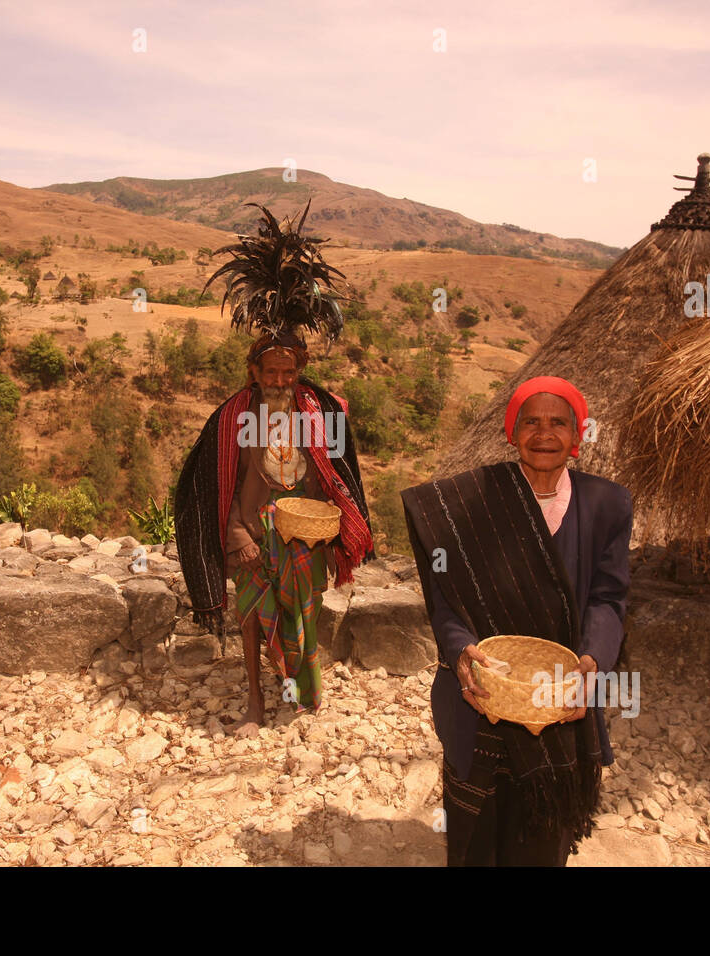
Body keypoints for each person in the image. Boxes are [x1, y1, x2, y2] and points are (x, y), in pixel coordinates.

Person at [401, 375, 632, 866]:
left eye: (558, 423)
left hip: (560, 692)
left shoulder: (606, 504)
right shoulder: (474, 501)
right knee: (476, 834)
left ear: (577, 435)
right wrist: (461, 650)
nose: (544, 433)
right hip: (484, 687)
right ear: (511, 431)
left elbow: (609, 597)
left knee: (542, 834)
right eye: (531, 422)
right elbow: (446, 596)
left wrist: (591, 666)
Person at [175, 203, 373, 734]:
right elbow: (209, 485)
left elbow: (338, 477)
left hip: (305, 535)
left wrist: (332, 536)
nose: (280, 380)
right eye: (271, 371)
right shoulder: (231, 418)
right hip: (251, 535)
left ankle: (303, 695)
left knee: (301, 617)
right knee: (250, 624)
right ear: (254, 371)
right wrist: (234, 531)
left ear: (300, 370)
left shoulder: (324, 412)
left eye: (289, 371)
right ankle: (256, 707)